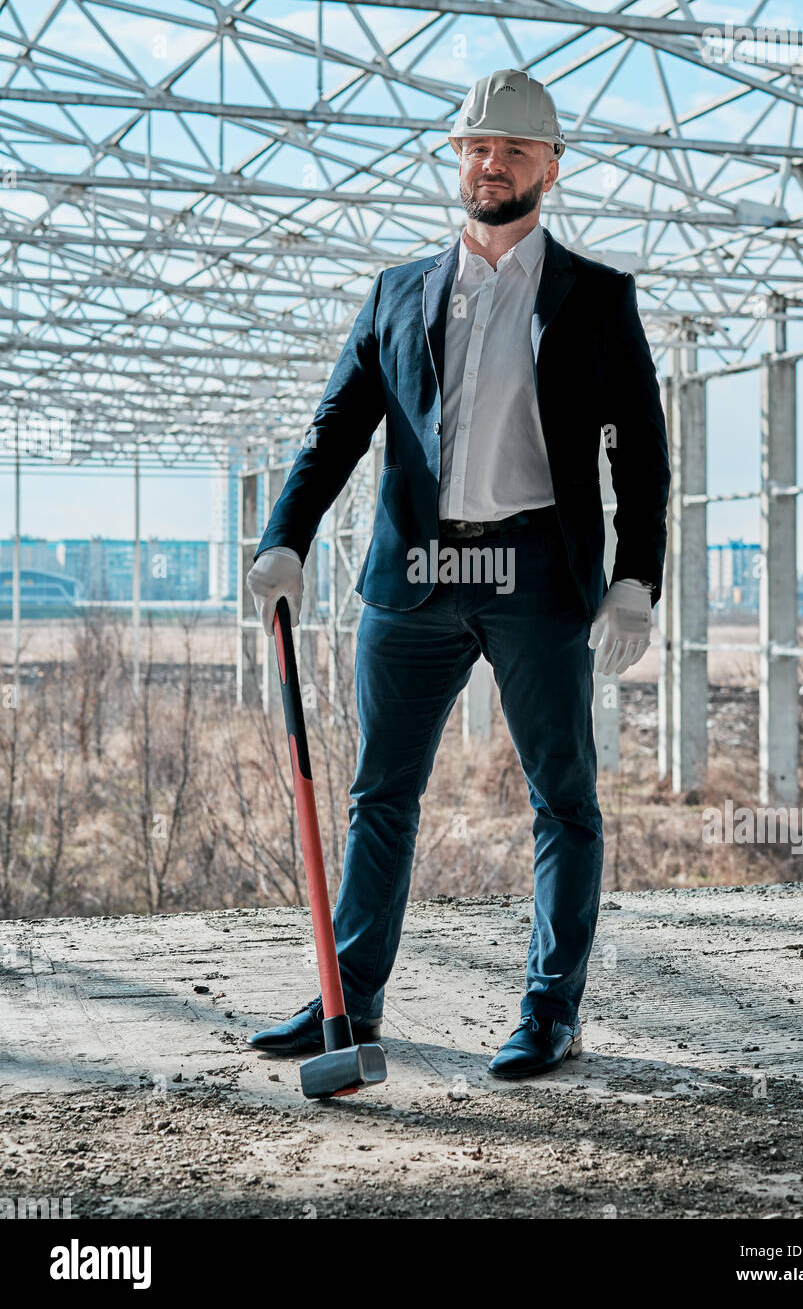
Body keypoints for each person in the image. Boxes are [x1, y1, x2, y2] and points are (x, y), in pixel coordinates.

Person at [246, 68, 670, 1078]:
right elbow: (336, 430)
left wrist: (634, 579)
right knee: (381, 794)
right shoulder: (398, 293)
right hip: (415, 576)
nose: (492, 164)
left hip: (537, 571)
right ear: (458, 159)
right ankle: (349, 1003)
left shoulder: (598, 301)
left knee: (562, 799)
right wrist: (285, 538)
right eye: (477, 148)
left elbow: (640, 457)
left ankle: (549, 1012)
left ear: (551, 169)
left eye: (514, 150)